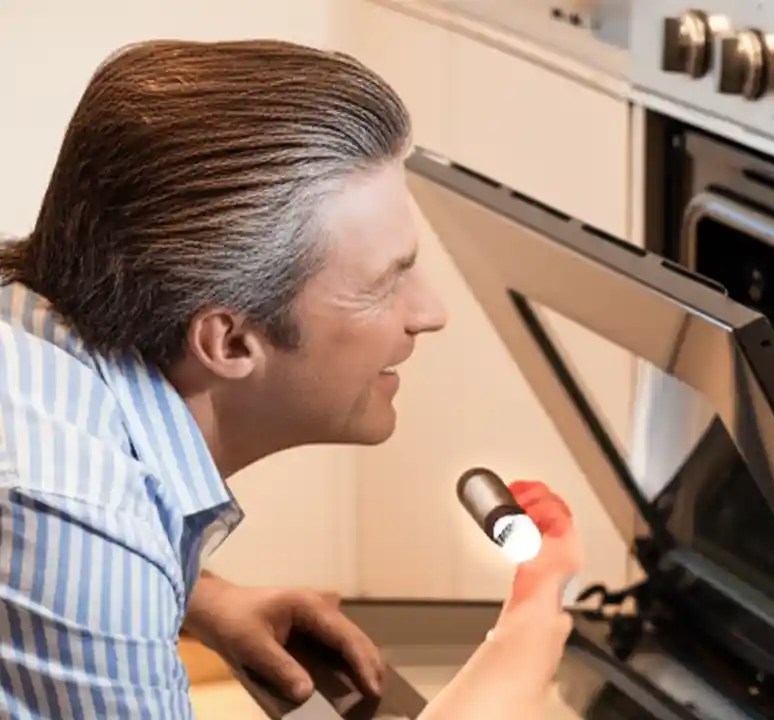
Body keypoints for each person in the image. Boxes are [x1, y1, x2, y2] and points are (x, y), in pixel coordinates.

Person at [0, 39, 582, 719]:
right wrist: (527, 639)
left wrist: (201, 596)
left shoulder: (28, 317)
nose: (430, 314)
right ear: (231, 340)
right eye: (385, 282)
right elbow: (62, 532)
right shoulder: (73, 517)